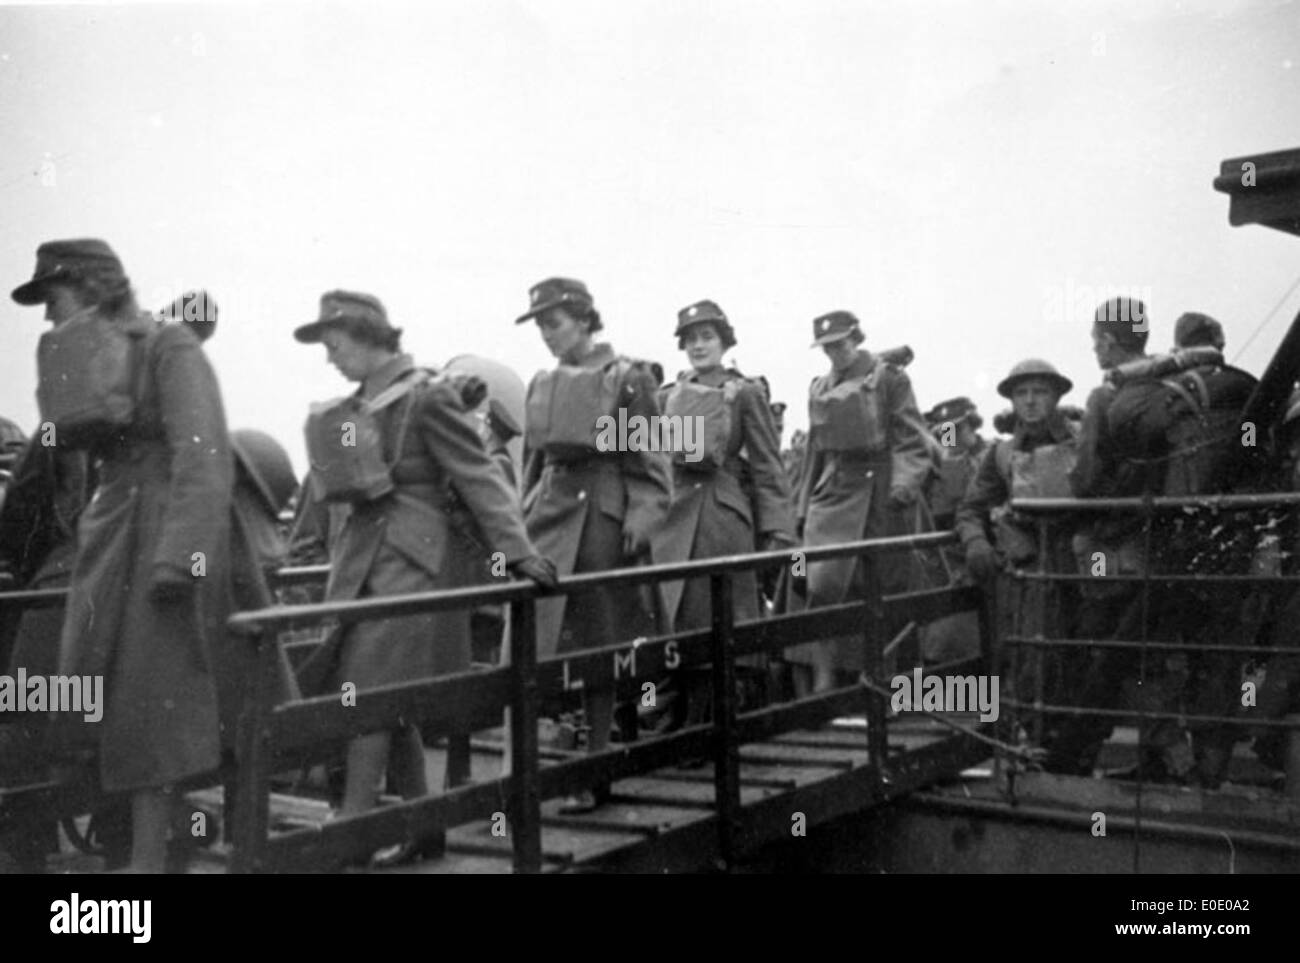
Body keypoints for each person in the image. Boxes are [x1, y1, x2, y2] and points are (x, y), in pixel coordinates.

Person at [295, 290, 555, 861]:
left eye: (335, 345)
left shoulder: (427, 396)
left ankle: (354, 828)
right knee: (389, 690)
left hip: (413, 563)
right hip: (362, 560)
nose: (331, 358)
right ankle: (423, 825)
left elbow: (479, 475)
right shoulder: (359, 403)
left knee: (368, 688)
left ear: (364, 336)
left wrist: (516, 549)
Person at [9, 238, 232, 872]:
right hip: (110, 531)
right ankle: (129, 845)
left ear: (89, 288)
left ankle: (148, 862)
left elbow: (204, 456)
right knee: (89, 690)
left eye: (53, 299)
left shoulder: (169, 345)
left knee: (151, 696)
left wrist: (178, 559)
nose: (49, 317)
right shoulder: (94, 360)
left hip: (162, 534)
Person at [515, 277, 671, 812]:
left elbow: (649, 456)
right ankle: (525, 772)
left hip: (599, 518)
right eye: (539, 325)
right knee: (530, 639)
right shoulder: (543, 382)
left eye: (553, 323)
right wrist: (520, 520)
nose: (545, 335)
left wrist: (644, 514)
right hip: (549, 513)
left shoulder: (626, 377)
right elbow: (532, 461)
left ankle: (596, 763)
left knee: (597, 643)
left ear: (584, 319)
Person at [648, 300, 796, 727]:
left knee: (717, 619)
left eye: (707, 337)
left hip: (721, 515)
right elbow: (647, 451)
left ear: (724, 341)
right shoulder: (667, 396)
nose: (699, 346)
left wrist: (779, 532)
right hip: (673, 517)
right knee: (671, 618)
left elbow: (768, 466)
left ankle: (710, 724)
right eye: (691, 339)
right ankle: (668, 720)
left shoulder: (745, 392)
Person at [787, 310, 932, 694]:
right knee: (821, 585)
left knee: (884, 589)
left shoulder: (889, 379)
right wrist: (802, 508)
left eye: (841, 342)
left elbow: (911, 437)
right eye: (827, 346)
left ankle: (885, 684)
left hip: (882, 492)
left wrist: (904, 484)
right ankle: (824, 681)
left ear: (857, 337)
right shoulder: (819, 387)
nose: (835, 351)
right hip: (833, 492)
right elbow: (814, 453)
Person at [954, 359, 1081, 755]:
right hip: (1027, 572)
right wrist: (976, 542)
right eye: (1021, 393)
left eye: (1039, 392)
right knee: (1028, 657)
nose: (1029, 402)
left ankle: (1073, 750)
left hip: (1079, 564)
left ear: (1057, 396)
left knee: (1081, 656)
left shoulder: (1082, 443)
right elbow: (970, 508)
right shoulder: (1001, 454)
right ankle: (1034, 746)